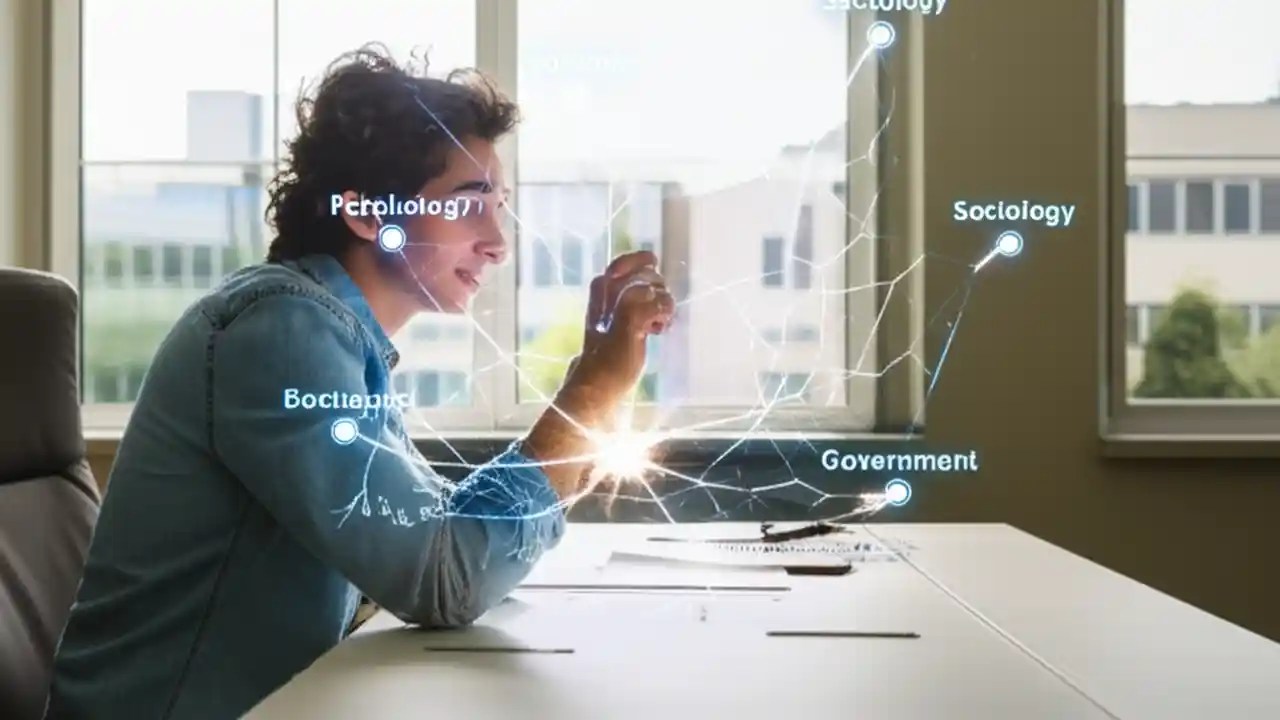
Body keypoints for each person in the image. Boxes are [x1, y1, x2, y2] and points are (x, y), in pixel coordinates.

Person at [45, 45, 674, 719]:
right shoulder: (280, 333)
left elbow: (441, 532)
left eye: (500, 202)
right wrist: (588, 392)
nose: (498, 240)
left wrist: (591, 384)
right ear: (368, 215)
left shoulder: (334, 335)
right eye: (468, 204)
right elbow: (444, 575)